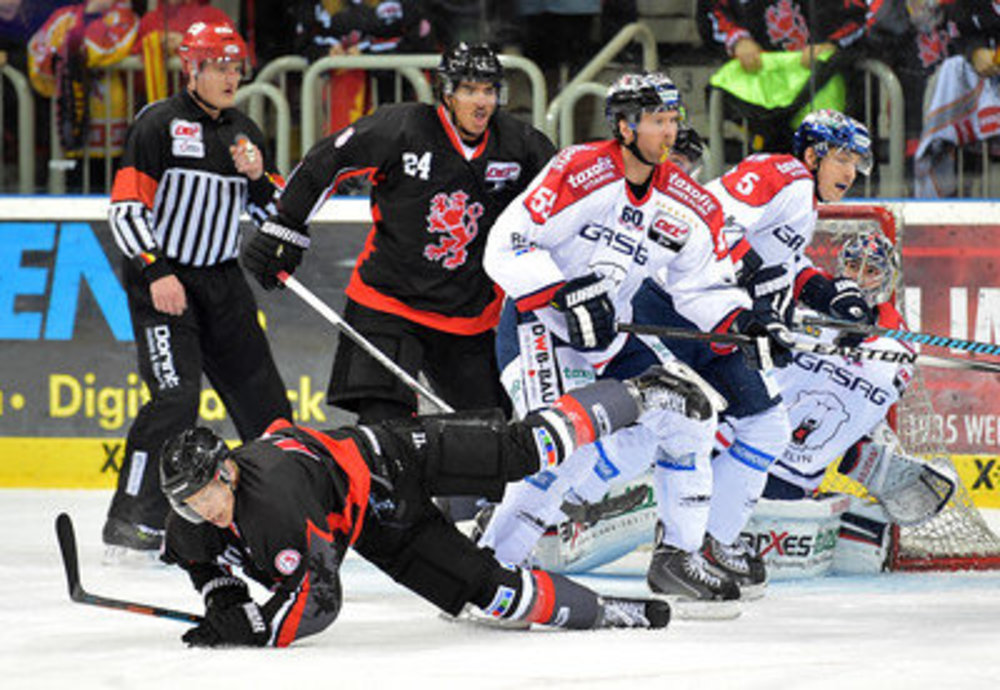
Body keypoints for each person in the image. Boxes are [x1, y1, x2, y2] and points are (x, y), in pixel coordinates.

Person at [474, 72, 794, 608]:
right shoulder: (578, 170)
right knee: (561, 448)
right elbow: (506, 244)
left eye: (673, 120)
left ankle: (677, 558)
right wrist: (562, 294)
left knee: (689, 415)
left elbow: (701, 285)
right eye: (657, 121)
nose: (669, 132)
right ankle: (490, 567)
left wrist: (743, 325)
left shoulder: (685, 199)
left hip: (608, 340)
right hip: (540, 328)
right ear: (624, 127)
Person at [157, 370, 710, 646]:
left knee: (524, 450)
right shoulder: (193, 516)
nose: (200, 509)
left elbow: (316, 602)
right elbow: (200, 561)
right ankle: (610, 611)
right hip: (378, 521)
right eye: (187, 502)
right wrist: (223, 596)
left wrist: (248, 627)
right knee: (487, 595)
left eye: (205, 493)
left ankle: (640, 393)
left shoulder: (275, 502)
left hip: (394, 454)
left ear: (227, 471)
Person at [241, 43, 555, 425]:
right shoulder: (403, 127)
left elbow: (561, 205)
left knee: (487, 437)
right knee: (384, 435)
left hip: (468, 315)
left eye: (489, 90)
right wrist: (285, 225)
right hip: (387, 305)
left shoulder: (521, 146)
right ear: (448, 92)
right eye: (470, 90)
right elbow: (329, 159)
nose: (481, 102)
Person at [101, 21, 292, 559]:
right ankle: (131, 521)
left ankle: (277, 509)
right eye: (221, 66)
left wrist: (259, 176)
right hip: (164, 278)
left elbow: (277, 214)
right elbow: (126, 209)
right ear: (194, 68)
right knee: (175, 398)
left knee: (268, 407)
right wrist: (156, 269)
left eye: (237, 67)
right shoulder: (158, 125)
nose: (232, 77)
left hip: (222, 280)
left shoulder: (245, 132)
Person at [133, 0, 235, 104]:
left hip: (203, 107)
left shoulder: (214, 17)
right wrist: (153, 46)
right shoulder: (149, 20)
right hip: (158, 107)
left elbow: (231, 53)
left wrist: (186, 44)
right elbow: (132, 77)